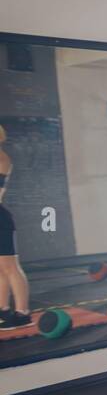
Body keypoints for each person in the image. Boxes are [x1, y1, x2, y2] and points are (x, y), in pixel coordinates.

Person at [0, 124, 32, 330]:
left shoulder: (2, 157)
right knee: (0, 270)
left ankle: (22, 313)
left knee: (10, 267)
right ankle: (2, 308)